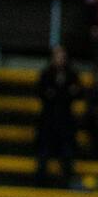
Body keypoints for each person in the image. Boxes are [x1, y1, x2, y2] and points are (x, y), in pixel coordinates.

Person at [36, 46, 84, 187]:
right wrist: (65, 93)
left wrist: (56, 94)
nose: (60, 59)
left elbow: (77, 93)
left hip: (65, 122)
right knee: (43, 156)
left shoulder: (72, 74)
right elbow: (43, 94)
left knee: (67, 155)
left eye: (62, 56)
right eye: (58, 56)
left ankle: (67, 184)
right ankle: (39, 186)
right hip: (48, 122)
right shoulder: (46, 74)